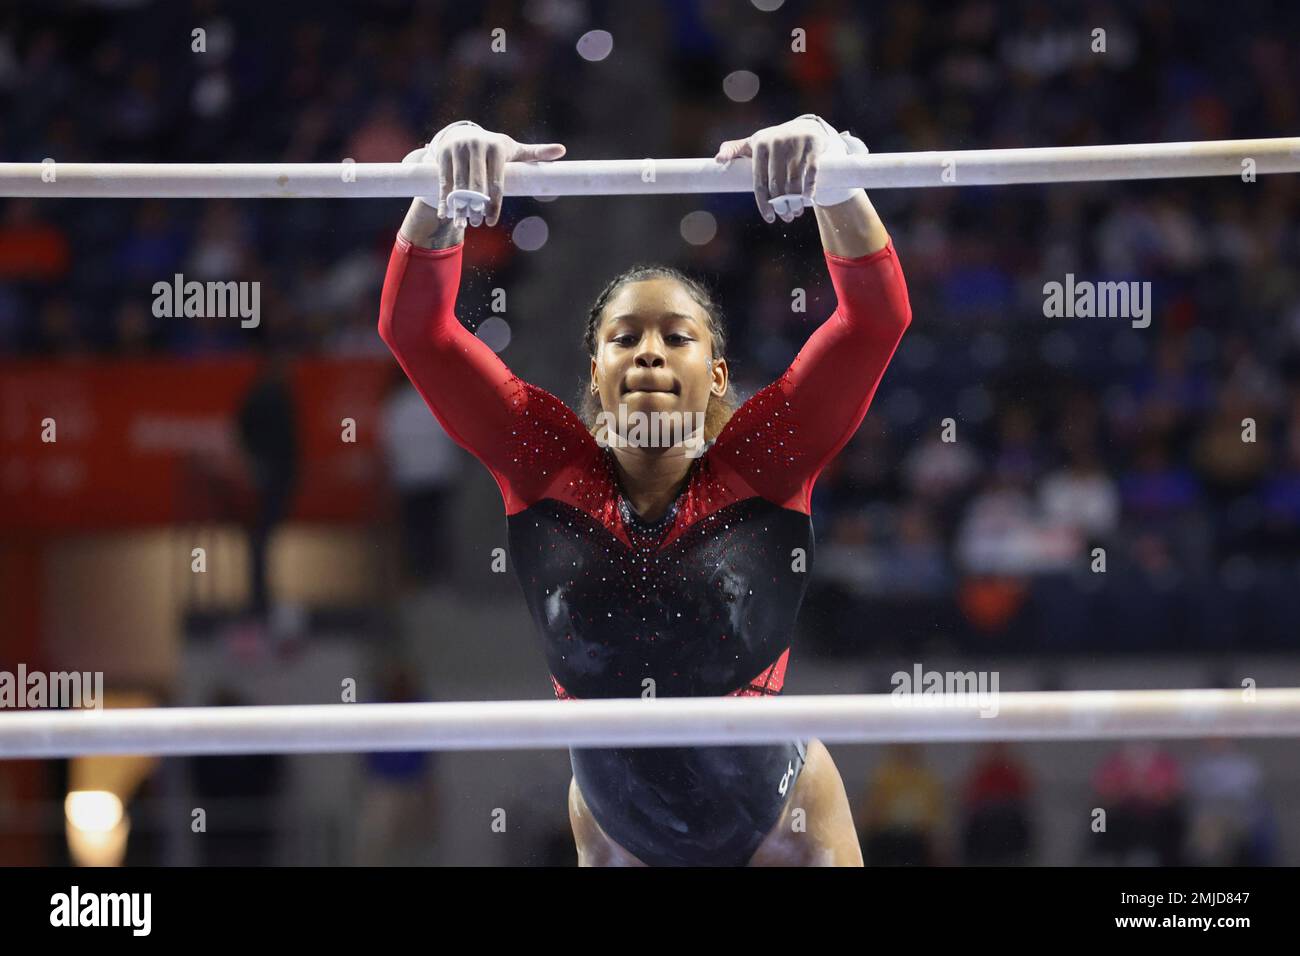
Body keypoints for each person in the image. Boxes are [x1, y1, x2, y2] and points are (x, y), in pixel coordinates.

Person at [378, 115, 911, 866]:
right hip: (618, 831)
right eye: (625, 338)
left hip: (782, 816)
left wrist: (835, 169)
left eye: (677, 337)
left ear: (717, 376)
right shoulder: (543, 463)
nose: (650, 353)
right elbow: (418, 334)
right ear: (595, 374)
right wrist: (442, 173)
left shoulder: (763, 462)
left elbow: (873, 324)